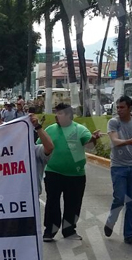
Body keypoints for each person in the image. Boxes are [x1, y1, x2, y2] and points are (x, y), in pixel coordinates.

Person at [0, 113, 54, 260]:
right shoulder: (4, 153)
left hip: (28, 203)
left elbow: (50, 147)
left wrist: (38, 127)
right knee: (2, 236)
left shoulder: (36, 151)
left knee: (26, 239)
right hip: (4, 202)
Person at [41, 103, 101, 242]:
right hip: (53, 172)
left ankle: (69, 230)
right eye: (56, 113)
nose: (56, 116)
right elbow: (40, 145)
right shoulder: (50, 129)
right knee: (52, 203)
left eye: (60, 113)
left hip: (76, 175)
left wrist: (93, 139)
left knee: (73, 204)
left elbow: (90, 145)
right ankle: (50, 231)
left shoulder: (80, 130)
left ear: (68, 115)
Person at [104, 95, 132, 246]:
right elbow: (115, 141)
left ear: (130, 108)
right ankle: (111, 221)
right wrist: (129, 141)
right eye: (117, 107)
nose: (119, 110)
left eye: (122, 107)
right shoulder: (113, 122)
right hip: (118, 166)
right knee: (119, 198)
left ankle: (129, 234)